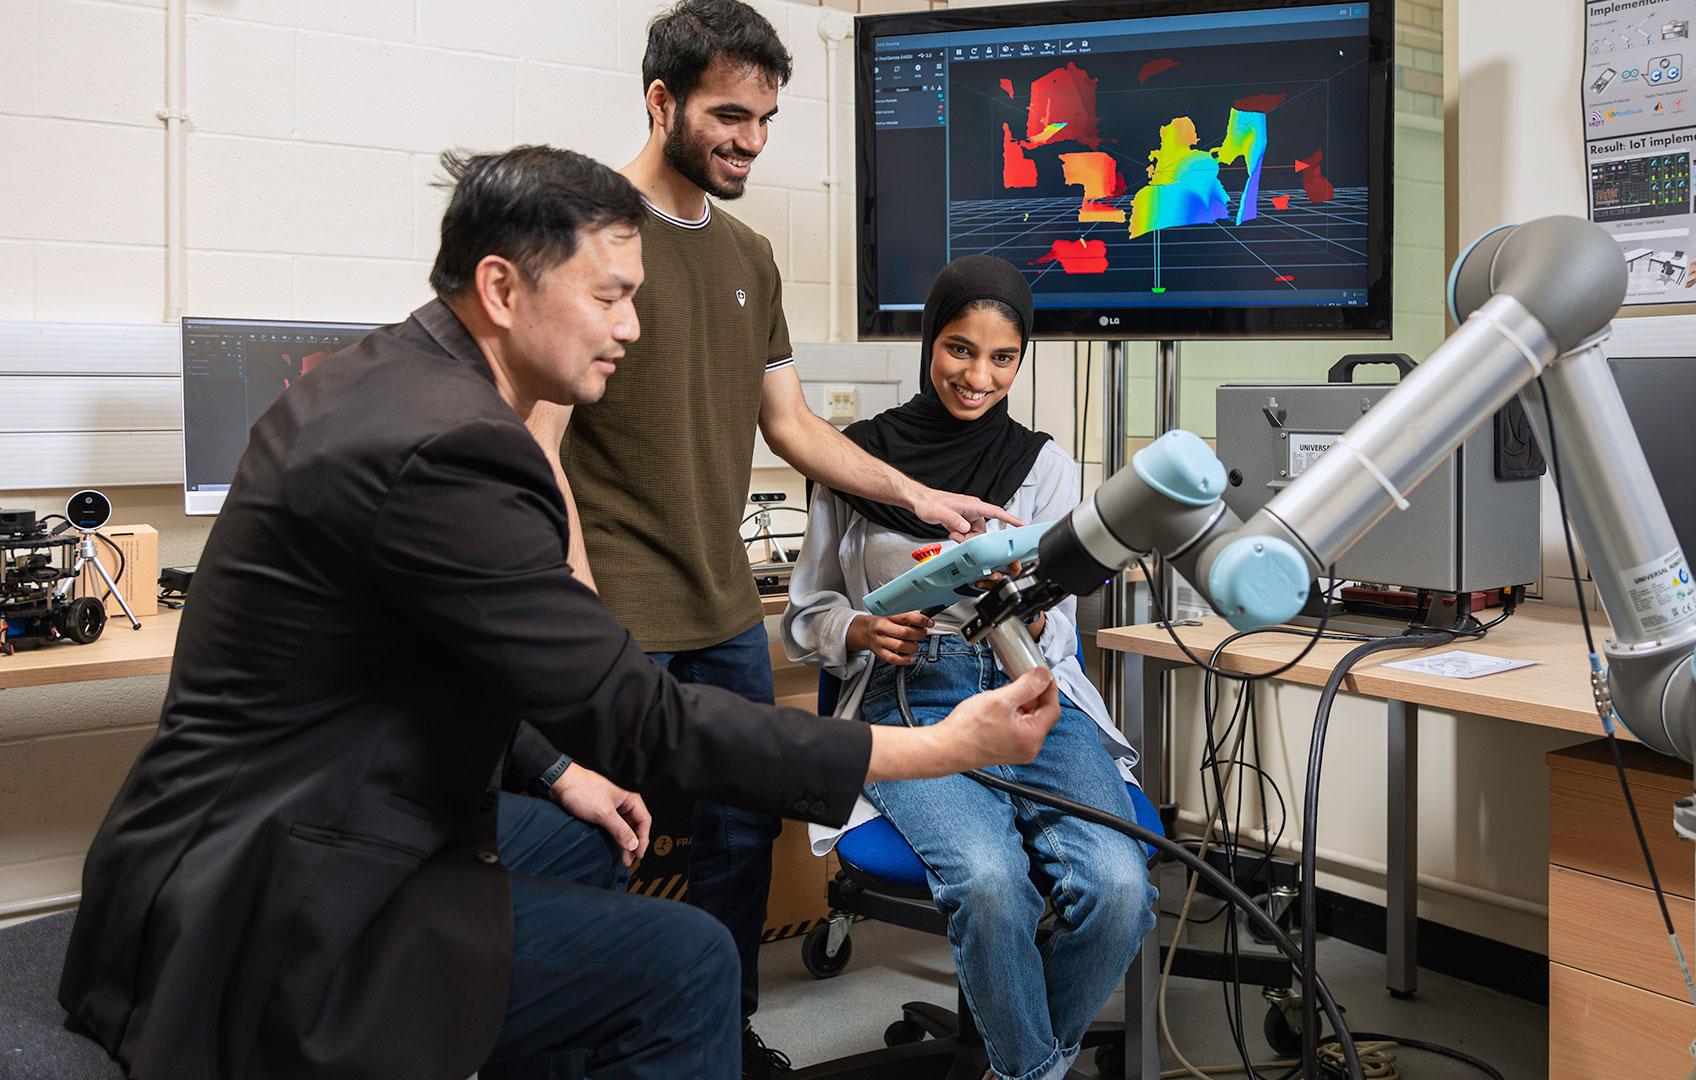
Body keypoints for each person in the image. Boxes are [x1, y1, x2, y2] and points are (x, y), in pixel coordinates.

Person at [57, 146, 1062, 1080]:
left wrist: (557, 771)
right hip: (275, 904)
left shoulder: (387, 377)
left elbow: (430, 659)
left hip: (259, 827)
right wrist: (941, 748)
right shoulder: (451, 449)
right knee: (688, 960)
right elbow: (644, 722)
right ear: (503, 289)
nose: (631, 327)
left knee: (587, 832)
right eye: (610, 297)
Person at [521, 5, 1017, 1071]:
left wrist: (921, 497)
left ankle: (721, 1028)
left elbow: (790, 426)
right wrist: (574, 599)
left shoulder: (749, 252)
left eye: (765, 121)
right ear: (662, 101)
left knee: (745, 831)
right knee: (601, 833)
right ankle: (582, 1041)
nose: (749, 141)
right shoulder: (587, 236)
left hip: (721, 605)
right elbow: (541, 441)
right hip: (616, 607)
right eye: (728, 116)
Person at [783, 256, 1157, 1080]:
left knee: (1120, 888)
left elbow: (1060, 630)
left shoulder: (1043, 465)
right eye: (959, 349)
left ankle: (1019, 1065)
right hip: (907, 695)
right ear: (929, 341)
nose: (977, 377)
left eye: (1002, 357)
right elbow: (804, 617)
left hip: (1025, 690)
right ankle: (1033, 1069)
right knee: (988, 882)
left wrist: (1024, 603)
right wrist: (859, 628)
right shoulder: (857, 460)